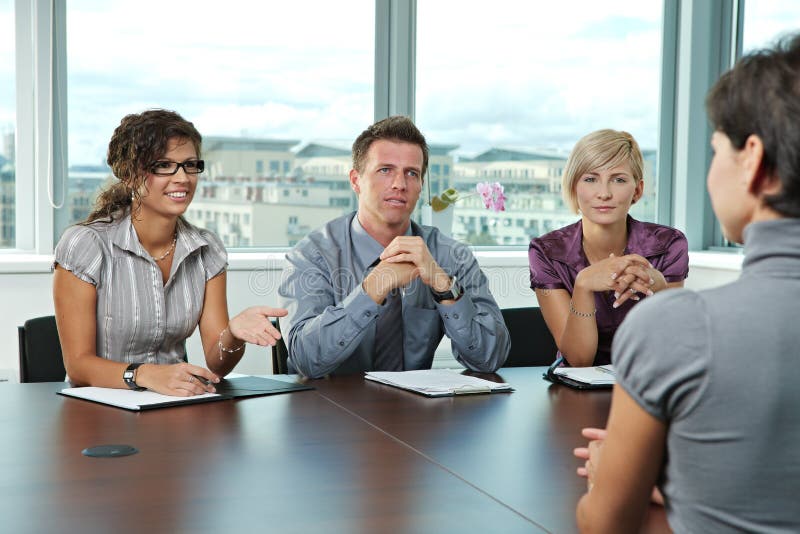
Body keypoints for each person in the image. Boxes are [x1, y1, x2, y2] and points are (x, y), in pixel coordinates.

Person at [575, 33, 800, 532]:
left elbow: (605, 523)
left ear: (753, 161)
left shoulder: (675, 326)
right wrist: (694, 481)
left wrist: (624, 476)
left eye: (717, 148)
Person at [53, 109, 287, 396]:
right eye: (164, 165)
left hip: (173, 405)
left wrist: (233, 334)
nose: (182, 178)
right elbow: (78, 366)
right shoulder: (86, 244)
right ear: (130, 174)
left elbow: (218, 362)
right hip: (96, 409)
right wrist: (146, 375)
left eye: (190, 165)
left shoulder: (206, 249)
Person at [278, 115, 510, 378]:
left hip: (416, 412)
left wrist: (444, 286)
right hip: (331, 410)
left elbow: (490, 359)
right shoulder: (311, 256)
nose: (400, 184)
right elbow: (306, 360)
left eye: (412, 173)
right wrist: (375, 286)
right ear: (355, 180)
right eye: (385, 170)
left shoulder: (451, 255)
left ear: (421, 185)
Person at [529, 129, 688, 367]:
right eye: (590, 179)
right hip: (576, 392)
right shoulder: (546, 252)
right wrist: (583, 285)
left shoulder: (668, 244)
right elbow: (579, 360)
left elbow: (672, 346)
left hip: (648, 383)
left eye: (619, 179)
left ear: (638, 190)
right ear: (573, 187)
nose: (604, 193)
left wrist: (662, 290)